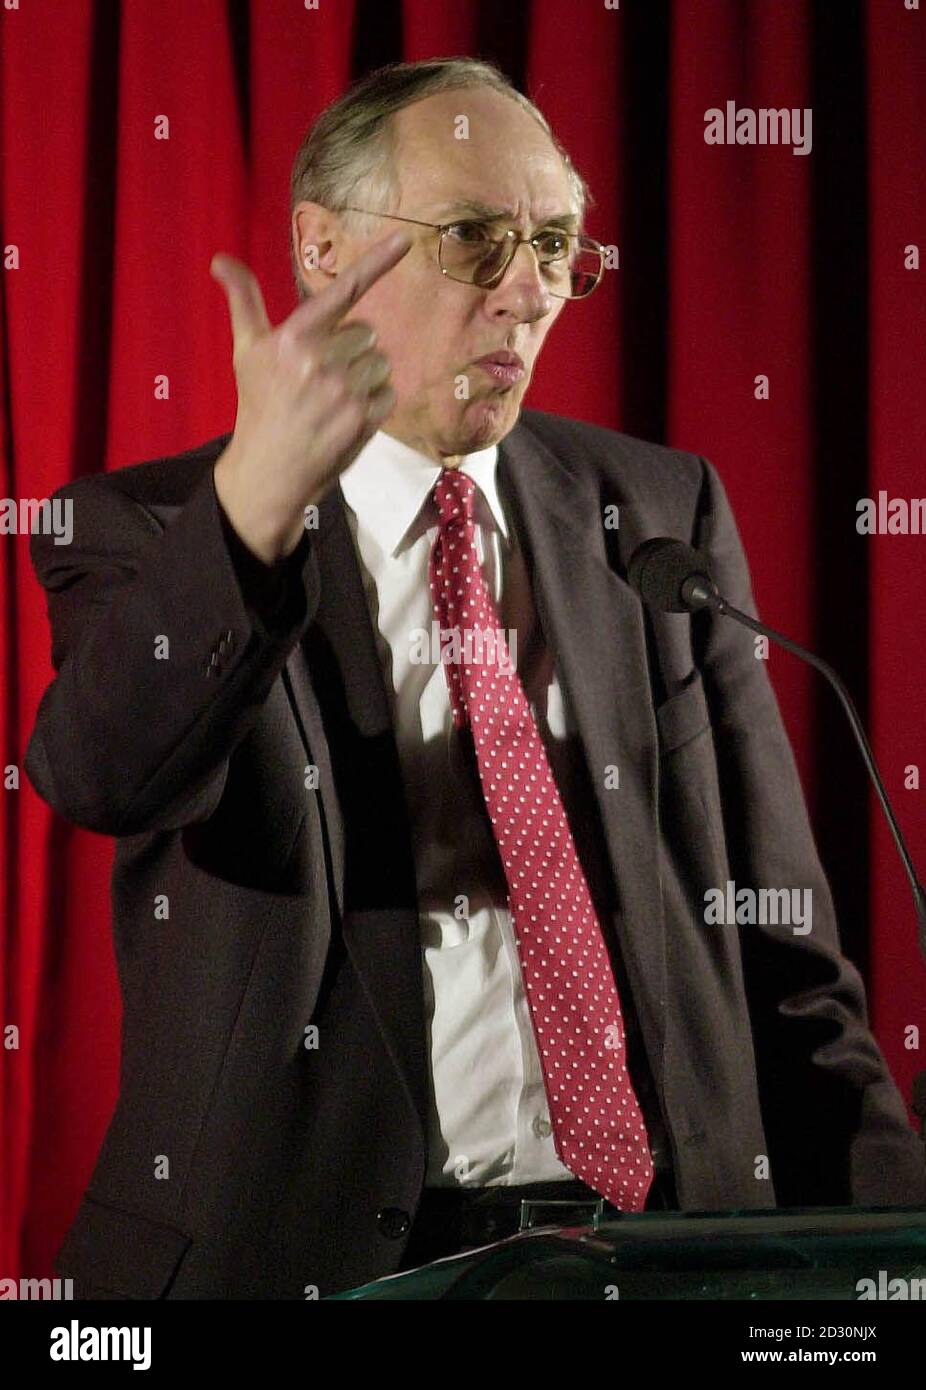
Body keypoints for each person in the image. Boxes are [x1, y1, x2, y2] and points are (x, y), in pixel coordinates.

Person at [25, 58, 925, 1301]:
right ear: (324, 250)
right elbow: (99, 772)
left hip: (664, 1257)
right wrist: (255, 511)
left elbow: (779, 949)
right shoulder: (153, 525)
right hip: (303, 1265)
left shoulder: (657, 514)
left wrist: (890, 1248)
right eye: (475, 240)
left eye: (557, 245)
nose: (531, 293)